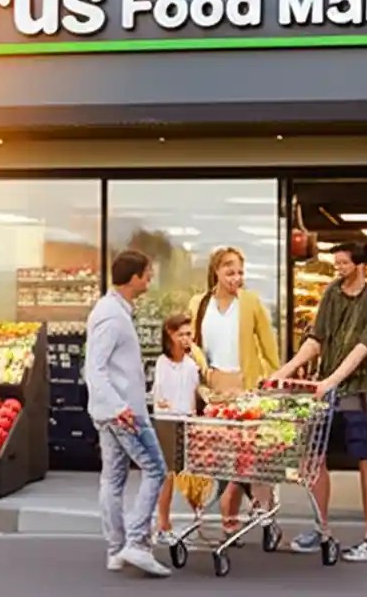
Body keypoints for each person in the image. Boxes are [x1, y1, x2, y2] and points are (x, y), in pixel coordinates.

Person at [270, 241, 367, 563]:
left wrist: (330, 381)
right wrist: (286, 370)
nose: (338, 269)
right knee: (316, 456)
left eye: (343, 264)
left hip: (362, 391)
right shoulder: (331, 294)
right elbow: (316, 338)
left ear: (360, 264)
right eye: (335, 264)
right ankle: (321, 528)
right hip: (327, 391)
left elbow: (363, 348)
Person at [85, 249, 171, 577]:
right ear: (134, 277)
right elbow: (95, 368)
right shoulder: (111, 315)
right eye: (147, 273)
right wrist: (120, 407)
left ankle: (116, 549)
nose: (150, 278)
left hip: (112, 410)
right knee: (155, 469)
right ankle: (137, 542)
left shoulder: (114, 310)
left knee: (113, 478)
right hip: (123, 412)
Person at [188, 246, 280, 541]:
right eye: (230, 272)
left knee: (250, 456)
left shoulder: (250, 303)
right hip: (214, 389)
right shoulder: (199, 303)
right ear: (216, 271)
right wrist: (204, 371)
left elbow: (268, 345)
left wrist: (274, 378)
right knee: (223, 456)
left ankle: (259, 512)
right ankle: (233, 516)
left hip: (246, 388)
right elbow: (190, 343)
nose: (236, 278)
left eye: (240, 272)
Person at [151, 313, 203, 542]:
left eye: (188, 334)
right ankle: (163, 521)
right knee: (167, 475)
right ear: (170, 336)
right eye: (180, 334)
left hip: (186, 421)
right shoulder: (163, 364)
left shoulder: (192, 366)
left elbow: (194, 395)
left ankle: (196, 515)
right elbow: (159, 395)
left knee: (192, 474)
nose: (185, 339)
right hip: (167, 421)